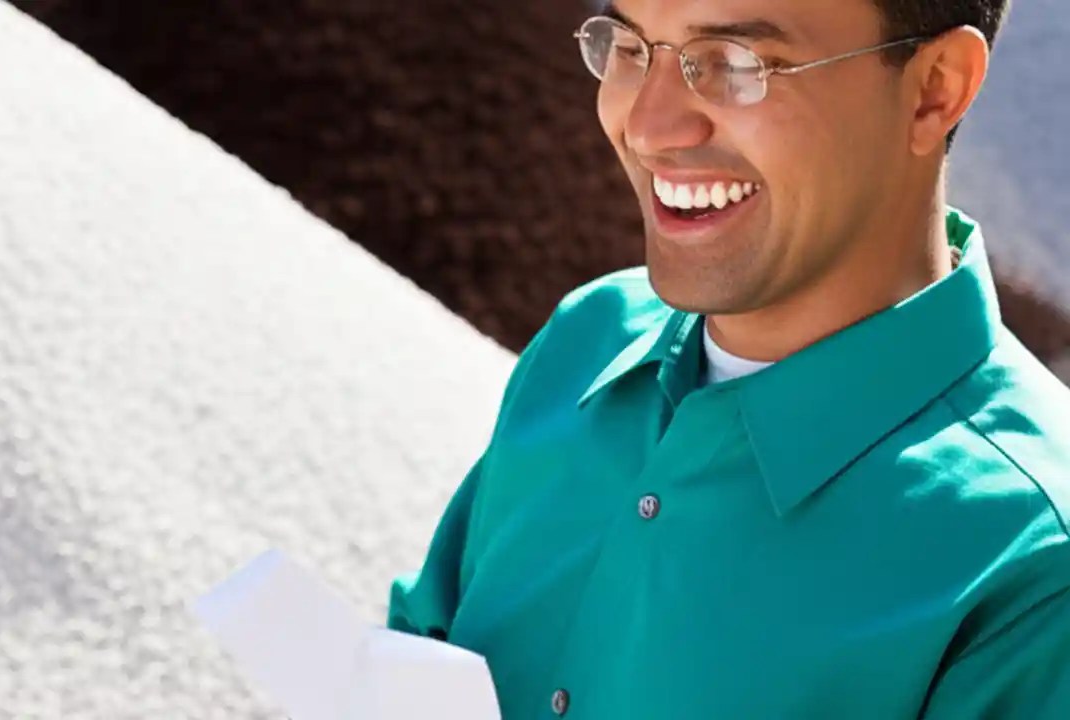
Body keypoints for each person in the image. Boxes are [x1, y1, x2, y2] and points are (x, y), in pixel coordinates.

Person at [386, 0, 1070, 717]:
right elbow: (407, 670)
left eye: (735, 64)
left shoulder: (1037, 565)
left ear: (934, 89)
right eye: (629, 48)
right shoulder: (588, 338)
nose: (648, 127)